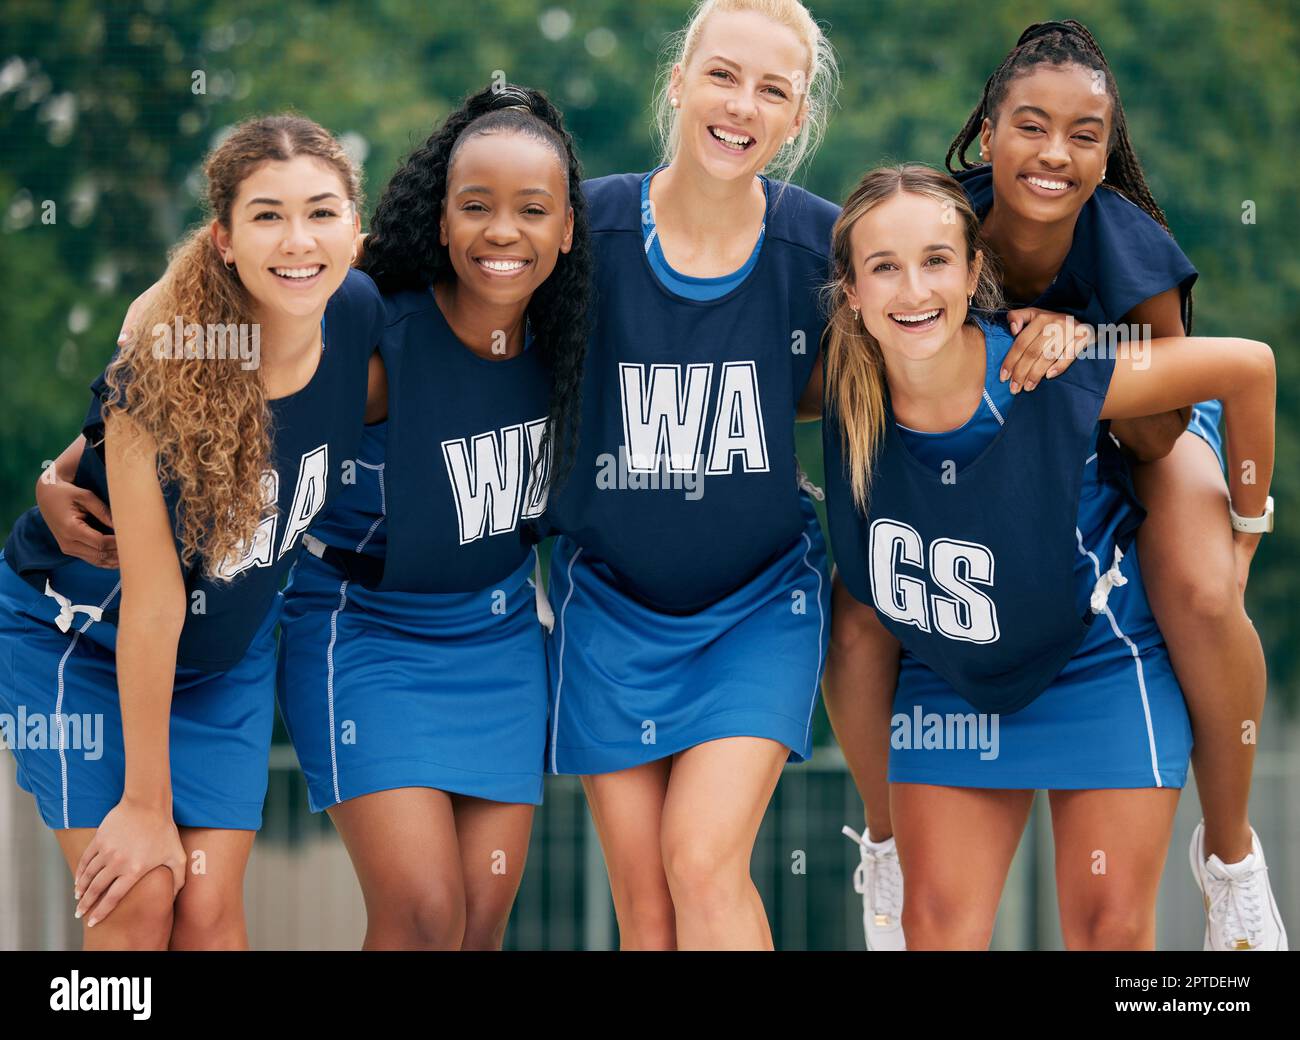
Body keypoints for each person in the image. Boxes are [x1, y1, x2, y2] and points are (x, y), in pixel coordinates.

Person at [825, 19, 1285, 952]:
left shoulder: (1124, 238)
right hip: (1009, 448)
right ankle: (885, 842)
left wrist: (1244, 523)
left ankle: (1232, 859)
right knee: (863, 605)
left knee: (1199, 590)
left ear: (1110, 149)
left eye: (1086, 136)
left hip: (1137, 416)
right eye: (1031, 127)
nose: (1056, 154)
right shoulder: (935, 230)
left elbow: (1171, 405)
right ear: (985, 136)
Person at [2, 115, 384, 949]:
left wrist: (57, 463)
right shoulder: (163, 372)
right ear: (223, 238)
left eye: (323, 212)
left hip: (223, 655)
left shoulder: (357, 308)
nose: (299, 240)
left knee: (210, 915)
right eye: (266, 216)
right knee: (140, 897)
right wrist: (144, 805)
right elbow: (152, 607)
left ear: (358, 228)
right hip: (86, 639)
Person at [540, 0, 838, 949]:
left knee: (704, 861)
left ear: (796, 120)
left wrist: (1067, 327)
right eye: (722, 74)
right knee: (647, 909)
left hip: (758, 606)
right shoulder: (581, 230)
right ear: (678, 80)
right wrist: (174, 302)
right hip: (609, 604)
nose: (741, 103)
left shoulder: (823, 249)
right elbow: (394, 277)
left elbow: (957, 319)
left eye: (772, 89)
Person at [275, 85, 590, 950]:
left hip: (497, 641)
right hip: (364, 634)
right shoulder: (379, 343)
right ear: (440, 221)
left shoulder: (570, 348)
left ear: (567, 229)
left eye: (532, 210)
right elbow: (213, 389)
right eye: (476, 207)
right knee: (422, 916)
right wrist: (75, 462)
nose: (502, 232)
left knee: (479, 924)